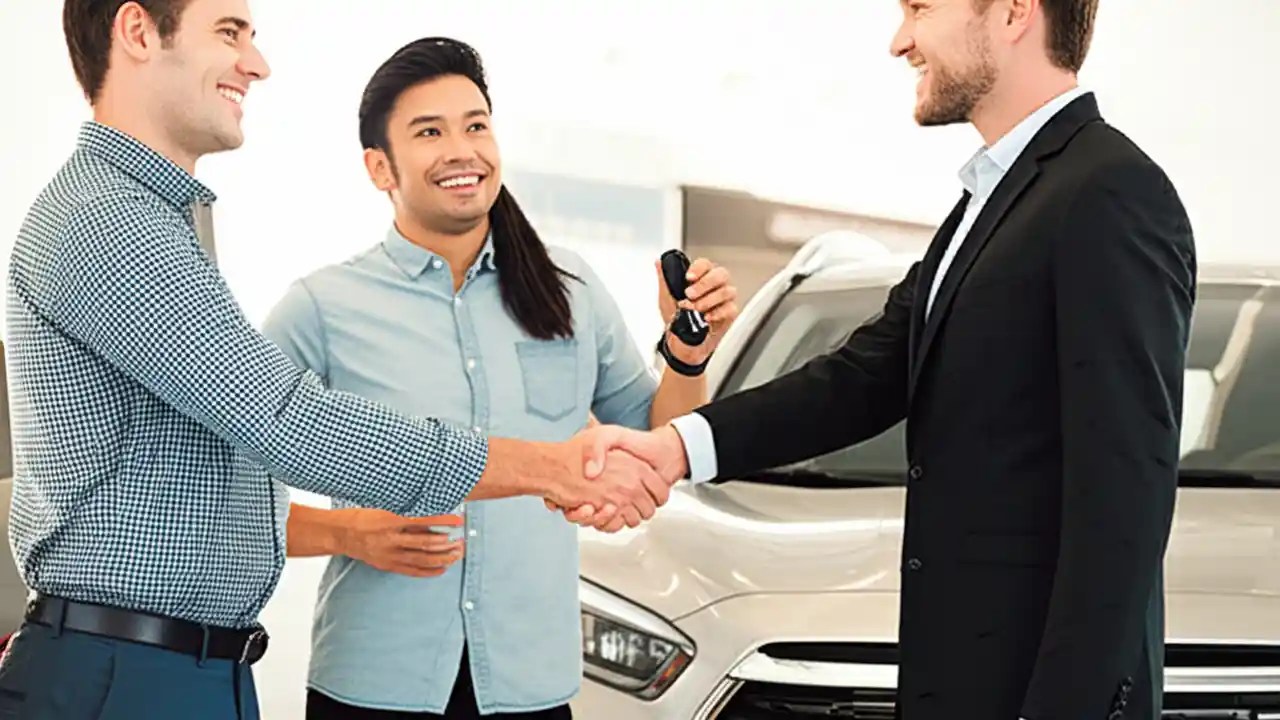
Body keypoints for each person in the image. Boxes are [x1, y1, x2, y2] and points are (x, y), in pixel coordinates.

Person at [0, 2, 663, 719]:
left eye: (476, 124)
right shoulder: (111, 221)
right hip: (130, 674)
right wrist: (549, 467)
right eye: (230, 31)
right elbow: (288, 422)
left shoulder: (153, 218)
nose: (257, 63)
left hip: (174, 666)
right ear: (137, 32)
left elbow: (244, 468)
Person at [588, 1, 1197, 719]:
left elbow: (1124, 499)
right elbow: (865, 377)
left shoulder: (1108, 191)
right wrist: (675, 447)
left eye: (919, 8)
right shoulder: (994, 200)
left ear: (1011, 13)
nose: (899, 40)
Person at [264, 37, 739, 720]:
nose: (463, 149)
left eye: (476, 125)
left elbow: (655, 444)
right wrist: (345, 534)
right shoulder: (323, 307)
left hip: (528, 685)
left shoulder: (571, 289)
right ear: (379, 167)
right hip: (374, 683)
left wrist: (689, 352)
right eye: (430, 131)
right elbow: (220, 491)